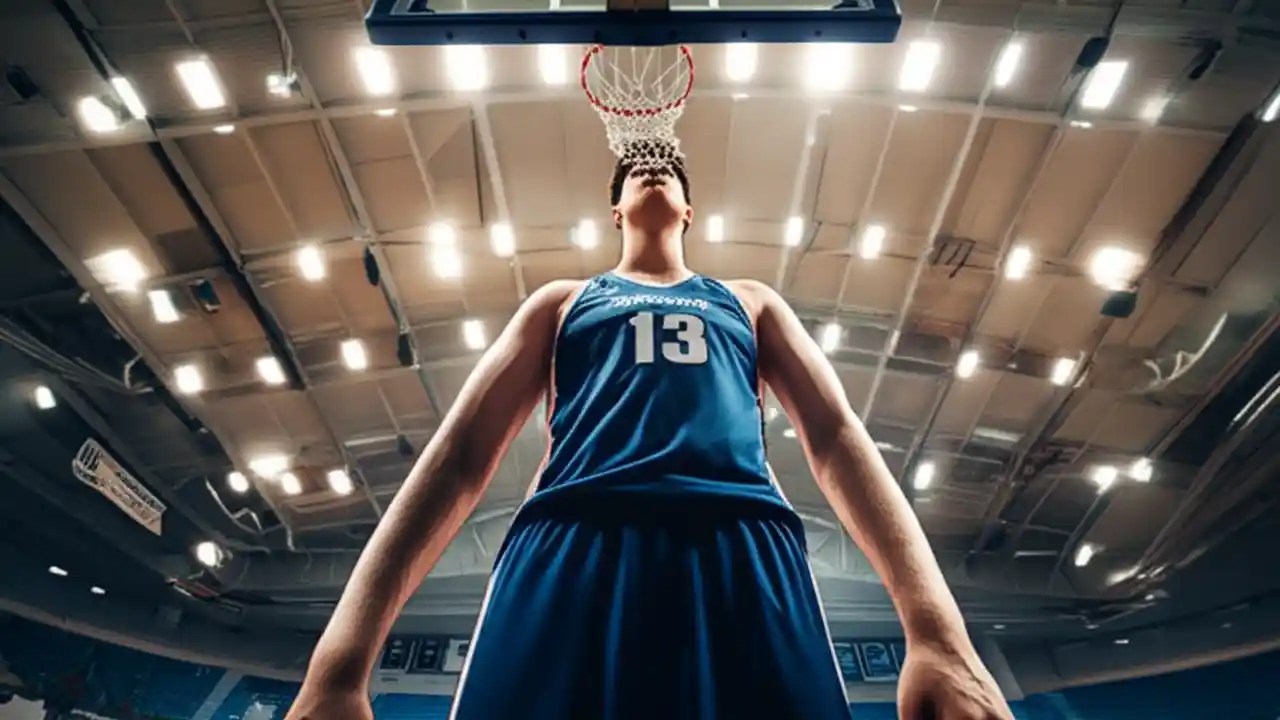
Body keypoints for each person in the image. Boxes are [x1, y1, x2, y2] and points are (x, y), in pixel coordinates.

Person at [285, 150, 1014, 720]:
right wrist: (339, 665)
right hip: (573, 542)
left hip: (741, 546)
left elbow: (837, 438)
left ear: (689, 209)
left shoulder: (749, 301)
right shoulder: (564, 300)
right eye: (634, 171)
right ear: (616, 210)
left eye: (669, 170)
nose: (653, 166)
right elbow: (458, 458)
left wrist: (939, 635)